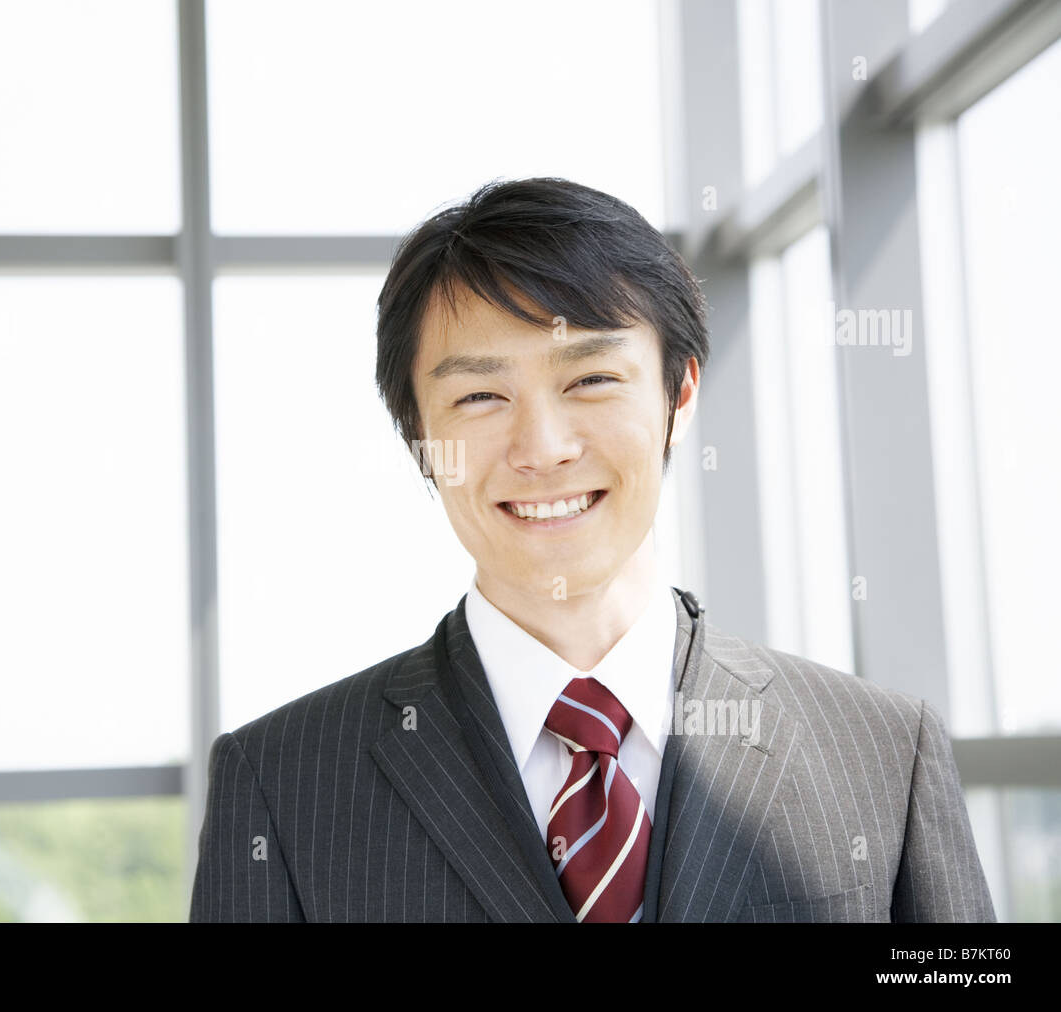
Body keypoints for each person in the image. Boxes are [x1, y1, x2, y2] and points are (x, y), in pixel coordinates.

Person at [188, 177, 995, 923]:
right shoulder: (282, 786)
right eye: (479, 396)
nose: (541, 448)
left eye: (591, 381)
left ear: (679, 396)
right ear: (421, 440)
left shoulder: (884, 756)